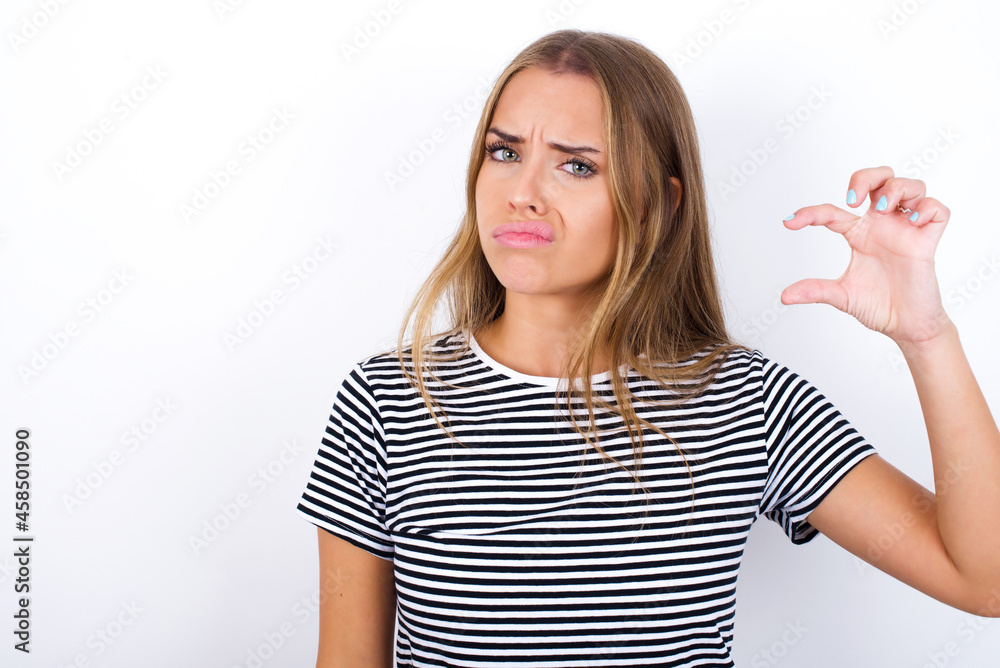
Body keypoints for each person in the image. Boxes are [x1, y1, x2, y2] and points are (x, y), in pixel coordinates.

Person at [295, 28, 1000, 668]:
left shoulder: (748, 402)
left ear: (660, 203)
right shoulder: (386, 400)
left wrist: (926, 334)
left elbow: (985, 582)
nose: (522, 193)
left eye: (576, 166)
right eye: (505, 153)